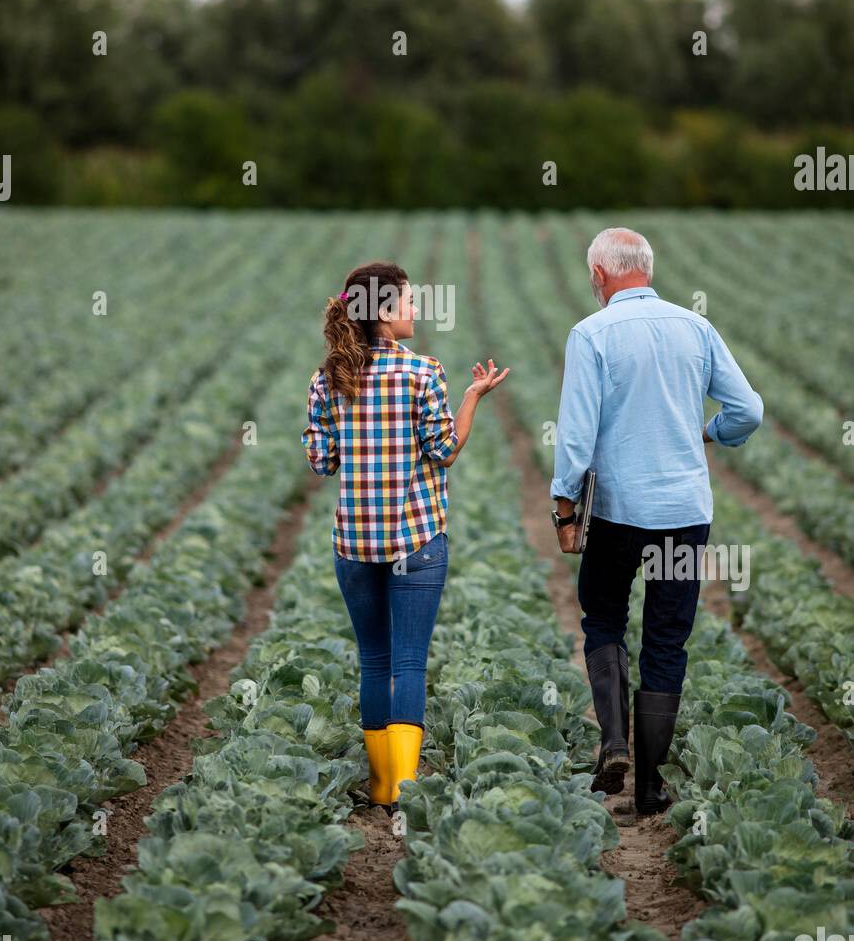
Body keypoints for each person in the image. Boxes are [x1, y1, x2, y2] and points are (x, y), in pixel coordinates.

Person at [550, 228, 763, 816]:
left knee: (603, 618)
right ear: (647, 268)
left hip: (617, 511)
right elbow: (749, 409)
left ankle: (614, 740)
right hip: (684, 513)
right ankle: (649, 788)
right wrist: (710, 433)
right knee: (668, 640)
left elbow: (576, 433)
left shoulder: (591, 334)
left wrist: (564, 503)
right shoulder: (695, 327)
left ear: (599, 276)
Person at [302, 261, 509, 814]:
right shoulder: (423, 373)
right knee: (409, 665)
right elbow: (444, 450)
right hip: (415, 541)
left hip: (353, 545)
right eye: (411, 302)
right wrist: (473, 397)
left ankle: (377, 785)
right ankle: (403, 788)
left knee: (373, 660)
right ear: (387, 314)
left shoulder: (328, 378)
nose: (417, 310)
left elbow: (320, 459)